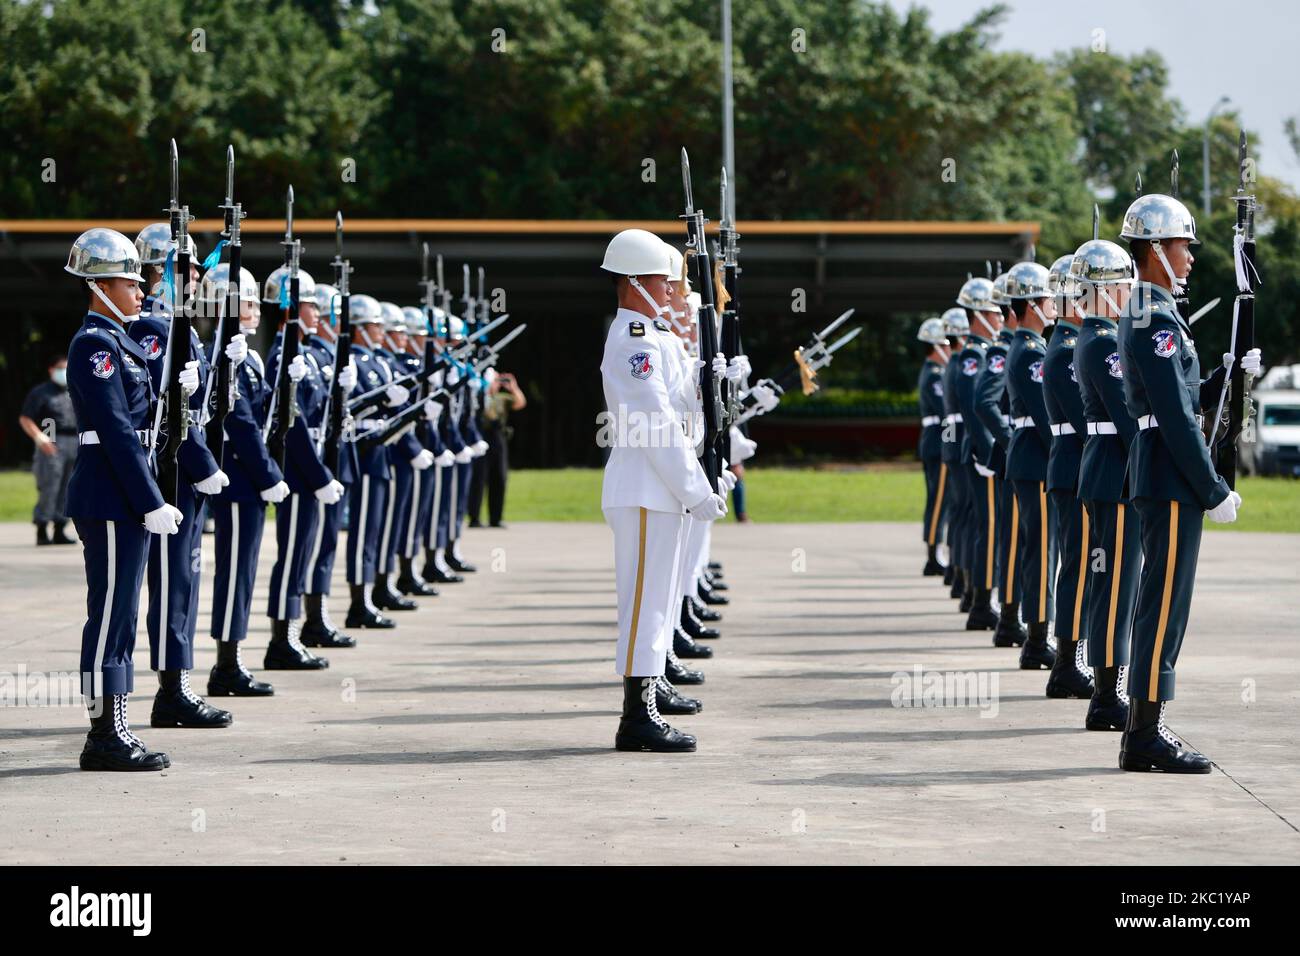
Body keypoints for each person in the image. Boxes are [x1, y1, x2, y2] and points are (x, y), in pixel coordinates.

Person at [1116, 193, 1261, 772]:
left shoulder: (1157, 313)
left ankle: (1144, 727)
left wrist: (1226, 372)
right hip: (1171, 475)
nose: (1191, 257)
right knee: (1162, 605)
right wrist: (1211, 487)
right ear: (1155, 250)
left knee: (1163, 602)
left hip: (1164, 470)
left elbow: (1184, 398)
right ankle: (1144, 735)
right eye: (1183, 246)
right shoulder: (1152, 316)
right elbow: (1175, 420)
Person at [598, 228, 727, 753]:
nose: (673, 291)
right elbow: (653, 424)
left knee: (656, 601)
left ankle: (647, 698)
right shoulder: (632, 340)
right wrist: (695, 489)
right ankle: (636, 717)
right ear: (634, 283)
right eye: (662, 282)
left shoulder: (650, 336)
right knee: (645, 604)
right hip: (647, 487)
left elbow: (678, 412)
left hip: (658, 489)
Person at [62, 228, 178, 771]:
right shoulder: (93, 345)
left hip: (125, 494)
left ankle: (118, 723)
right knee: (109, 615)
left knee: (125, 614)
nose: (140, 292)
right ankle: (101, 732)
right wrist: (149, 498)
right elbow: (113, 430)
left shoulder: (124, 341)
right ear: (99, 286)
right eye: (129, 284)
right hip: (109, 495)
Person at [130, 222, 233, 730]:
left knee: (185, 579)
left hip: (184, 475)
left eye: (195, 267)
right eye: (185, 267)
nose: (195, 275)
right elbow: (169, 417)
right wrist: (204, 465)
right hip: (170, 472)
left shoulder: (183, 326)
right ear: (156, 272)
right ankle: (171, 689)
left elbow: (195, 406)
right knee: (172, 582)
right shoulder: (152, 327)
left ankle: (179, 682)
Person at [199, 264, 289, 697]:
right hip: (238, 480)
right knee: (234, 574)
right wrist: (268, 474)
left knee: (245, 572)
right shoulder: (221, 357)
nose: (255, 310)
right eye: (247, 302)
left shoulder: (247, 356)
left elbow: (265, 414)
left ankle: (234, 659)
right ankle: (226, 666)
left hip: (249, 481)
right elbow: (241, 424)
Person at [1071, 238, 1139, 732]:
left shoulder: (1097, 337)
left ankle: (1107, 689)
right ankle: (1106, 696)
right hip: (1113, 475)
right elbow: (1129, 414)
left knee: (1111, 583)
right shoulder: (1100, 341)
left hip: (1106, 472)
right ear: (1107, 288)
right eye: (1124, 284)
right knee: (1114, 586)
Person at [263, 266, 345, 669]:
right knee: (293, 555)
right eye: (309, 304)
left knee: (303, 553)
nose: (316, 312)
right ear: (291, 308)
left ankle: (293, 635)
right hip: (297, 474)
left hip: (310, 468)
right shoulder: (284, 355)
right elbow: (291, 426)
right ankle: (281, 640)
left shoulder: (307, 354)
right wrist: (317, 476)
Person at [1040, 255, 1096, 699]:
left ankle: (1071, 660)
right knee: (1076, 567)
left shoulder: (1069, 344)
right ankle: (1066, 663)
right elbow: (1086, 417)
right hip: (1074, 468)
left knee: (1080, 565)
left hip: (1075, 468)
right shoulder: (1063, 351)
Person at [1003, 260, 1058, 671]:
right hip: (1036, 461)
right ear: (1032, 306)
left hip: (1029, 459)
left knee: (1038, 547)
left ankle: (1036, 633)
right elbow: (1045, 418)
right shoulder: (1031, 352)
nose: (1054, 305)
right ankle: (1037, 639)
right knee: (1041, 550)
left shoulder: (1026, 348)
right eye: (1047, 300)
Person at [299, 281, 359, 648]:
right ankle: (312, 619)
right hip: (315, 460)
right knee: (315, 544)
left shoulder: (326, 355)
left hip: (333, 453)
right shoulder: (311, 356)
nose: (333, 324)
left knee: (326, 542)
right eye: (326, 315)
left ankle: (318, 615)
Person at [972, 272, 1028, 647]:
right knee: (1011, 538)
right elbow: (985, 403)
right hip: (1015, 455)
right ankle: (1008, 617)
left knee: (1021, 540)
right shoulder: (1002, 348)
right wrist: (1010, 442)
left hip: (1020, 454)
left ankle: (1013, 612)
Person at [953, 278, 1002, 630]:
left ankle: (980, 595)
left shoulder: (983, 350)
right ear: (978, 314)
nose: (1000, 318)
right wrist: (988, 452)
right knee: (988, 525)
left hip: (984, 451)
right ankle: (982, 601)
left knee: (988, 525)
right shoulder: (974, 353)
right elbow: (973, 408)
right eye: (993, 312)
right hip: (982, 453)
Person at [19, 355, 78, 545]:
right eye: (61, 368)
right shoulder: (41, 392)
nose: (64, 373)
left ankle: (60, 527)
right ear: (51, 370)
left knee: (69, 488)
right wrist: (40, 438)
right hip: (51, 438)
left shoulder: (75, 389)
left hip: (75, 441)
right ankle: (42, 528)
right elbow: (26, 418)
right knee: (49, 486)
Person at [468, 369, 526, 528]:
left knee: (499, 478)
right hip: (481, 437)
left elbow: (520, 402)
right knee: (479, 478)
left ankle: (496, 517)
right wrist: (487, 388)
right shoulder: (478, 397)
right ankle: (474, 517)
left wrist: (513, 387)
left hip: (498, 439)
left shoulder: (501, 398)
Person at [938, 308, 969, 598]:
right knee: (971, 515)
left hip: (955, 440)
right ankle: (965, 579)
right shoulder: (964, 361)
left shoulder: (953, 363)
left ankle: (958, 575)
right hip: (963, 441)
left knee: (962, 512)